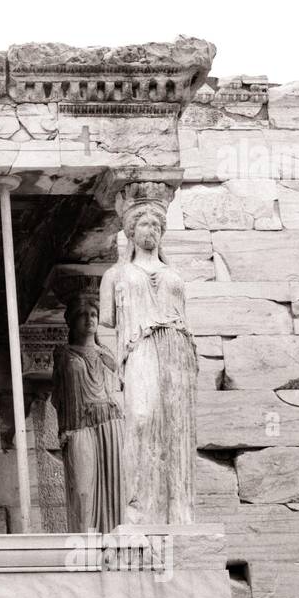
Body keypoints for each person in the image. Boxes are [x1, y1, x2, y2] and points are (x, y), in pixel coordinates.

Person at [98, 183, 197, 524]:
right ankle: (138, 510)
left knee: (178, 427)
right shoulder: (115, 275)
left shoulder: (174, 275)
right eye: (145, 224)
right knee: (140, 419)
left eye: (157, 225)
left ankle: (179, 511)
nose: (151, 230)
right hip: (138, 347)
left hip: (177, 348)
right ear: (130, 231)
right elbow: (108, 319)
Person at [52, 287, 125, 533]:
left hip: (110, 422)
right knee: (83, 490)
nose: (90, 319)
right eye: (83, 314)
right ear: (72, 321)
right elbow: (57, 396)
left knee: (113, 485)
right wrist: (64, 429)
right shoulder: (63, 354)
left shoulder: (108, 355)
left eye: (94, 313)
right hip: (79, 425)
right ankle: (84, 543)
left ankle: (112, 540)